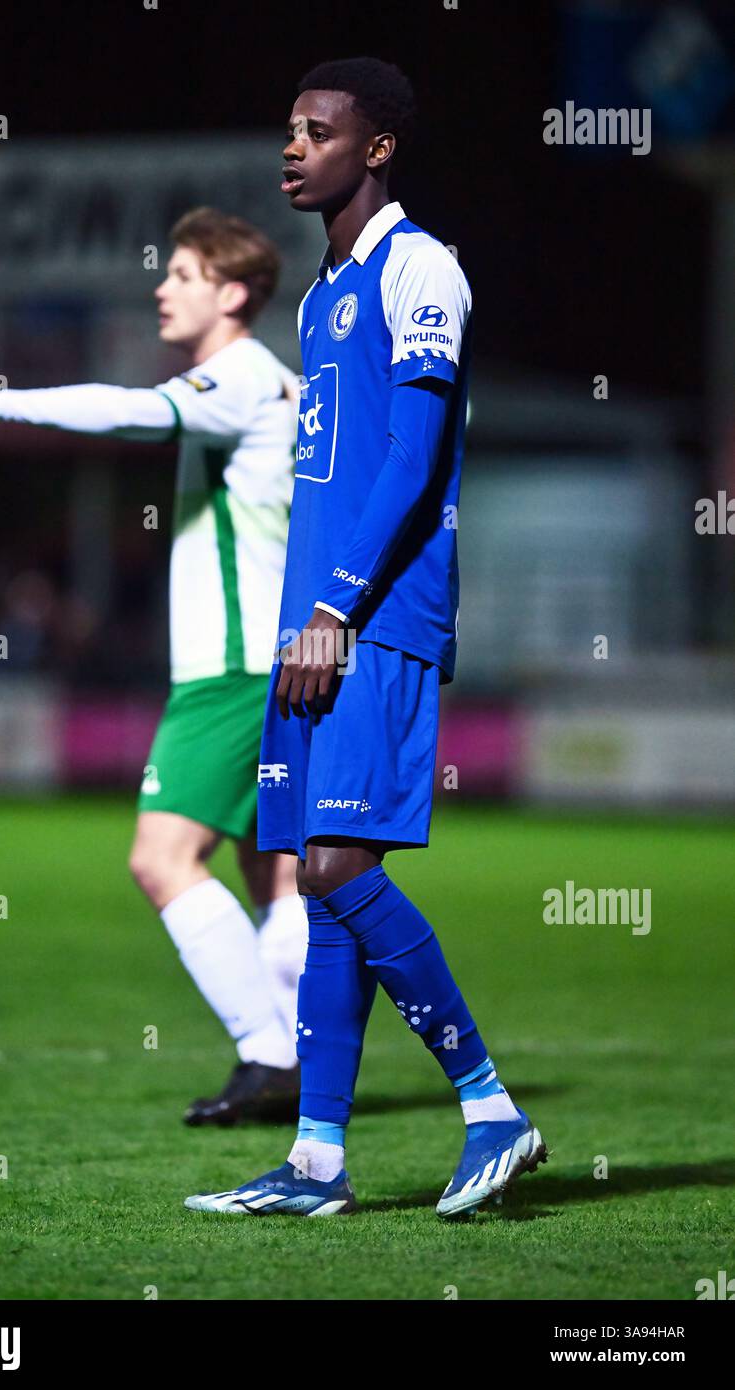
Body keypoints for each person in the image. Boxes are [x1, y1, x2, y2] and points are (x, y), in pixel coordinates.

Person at [185, 60, 547, 1217]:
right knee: (330, 883)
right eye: (287, 129)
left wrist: (337, 606)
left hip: (374, 620)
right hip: (313, 628)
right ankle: (315, 1161)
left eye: (317, 132)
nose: (291, 149)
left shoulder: (419, 266)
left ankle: (490, 1105)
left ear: (374, 149)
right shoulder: (318, 295)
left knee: (337, 870)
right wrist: (301, 617)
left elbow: (410, 457)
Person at [0, 207, 309, 1126]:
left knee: (161, 858)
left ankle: (273, 1054)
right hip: (276, 664)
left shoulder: (239, 379)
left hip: (232, 671)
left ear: (235, 291)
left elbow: (135, 411)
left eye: (181, 273)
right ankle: (306, 1067)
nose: (161, 287)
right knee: (274, 875)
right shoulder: (288, 387)